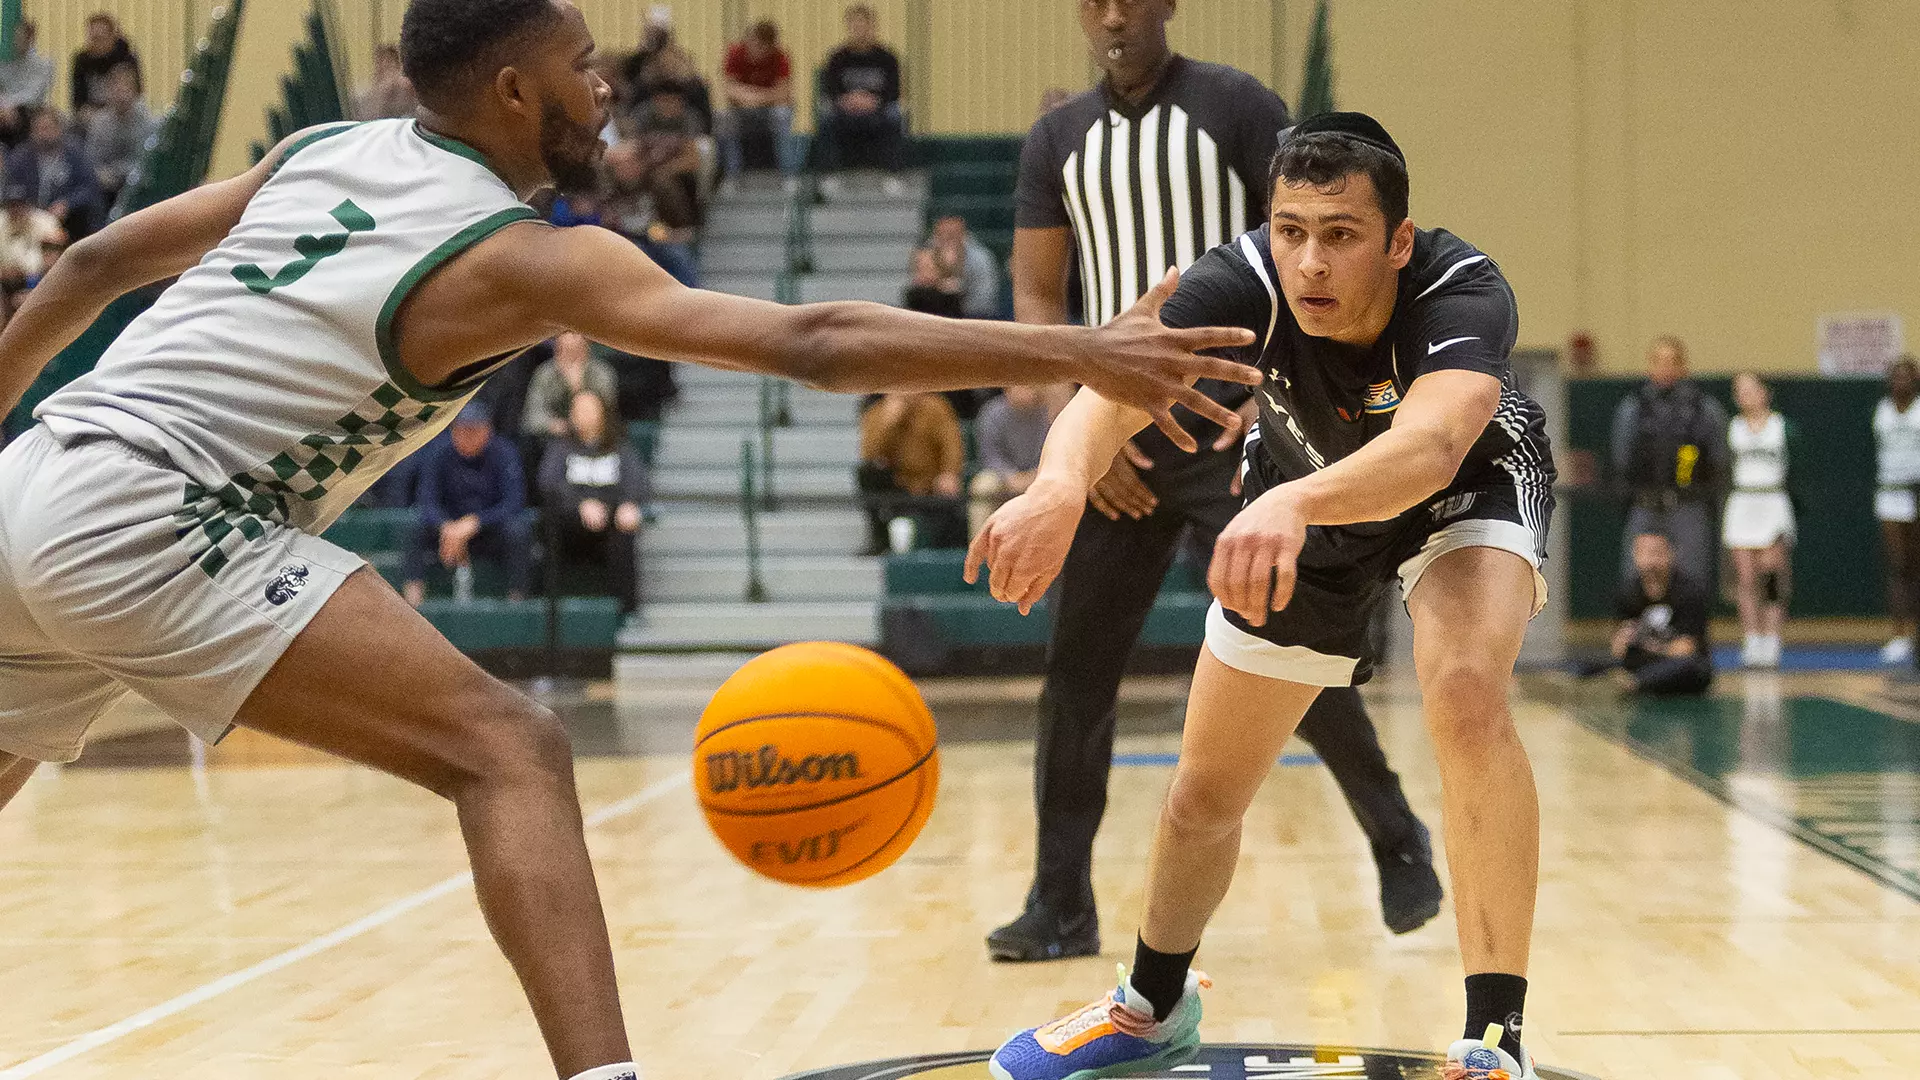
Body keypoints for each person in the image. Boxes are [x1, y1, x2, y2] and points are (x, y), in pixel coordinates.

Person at [0, 3, 1258, 1077]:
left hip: (32, 479)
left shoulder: (324, 149)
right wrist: (1079, 349)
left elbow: (99, 258)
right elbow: (809, 343)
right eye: (580, 60)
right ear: (509, 89)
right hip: (158, 512)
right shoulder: (518, 256)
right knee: (511, 747)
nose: (604, 82)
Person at [972, 112, 1558, 1079]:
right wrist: (1056, 486)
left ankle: (1494, 1040)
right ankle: (1149, 1010)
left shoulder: (1462, 288)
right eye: (1293, 232)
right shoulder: (1238, 279)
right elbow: (1109, 391)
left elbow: (1430, 448)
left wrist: (1290, 500)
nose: (1311, 263)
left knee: (1463, 693)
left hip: (1463, 487)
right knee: (1206, 790)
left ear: (1397, 241)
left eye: (1340, 235)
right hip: (1305, 489)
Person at [986, 0, 1439, 967]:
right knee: (1076, 678)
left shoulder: (1236, 107)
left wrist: (1268, 399)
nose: (1112, 15)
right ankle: (1059, 902)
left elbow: (1299, 257)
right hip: (1117, 441)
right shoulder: (1056, 138)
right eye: (1094, 1)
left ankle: (1396, 834)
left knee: (1290, 653)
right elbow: (1035, 295)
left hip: (1232, 427)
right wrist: (1081, 424)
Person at [1609, 335, 1728, 589]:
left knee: (1693, 575)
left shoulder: (1703, 408)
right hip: (1645, 502)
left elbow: (1718, 459)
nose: (1665, 368)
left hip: (1689, 503)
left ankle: (1689, 628)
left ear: (1683, 366)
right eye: (1659, 361)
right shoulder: (1634, 408)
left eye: (1672, 361)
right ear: (1649, 366)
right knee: (1636, 575)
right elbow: (1622, 458)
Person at [403, 401, 532, 606]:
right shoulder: (438, 452)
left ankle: (517, 599)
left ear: (487, 430)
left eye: (473, 430)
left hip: (489, 530)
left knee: (518, 531)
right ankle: (413, 598)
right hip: (449, 531)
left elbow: (513, 502)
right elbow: (426, 500)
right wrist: (447, 527)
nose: (467, 436)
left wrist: (475, 522)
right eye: (461, 430)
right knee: (415, 527)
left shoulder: (505, 453)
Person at [539, 390, 645, 612]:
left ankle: (626, 612)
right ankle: (551, 613)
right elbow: (548, 482)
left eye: (589, 409)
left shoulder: (619, 447)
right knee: (549, 526)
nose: (583, 415)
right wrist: (580, 503)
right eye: (577, 410)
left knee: (625, 530)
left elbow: (636, 480)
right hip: (570, 527)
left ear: (602, 413)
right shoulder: (561, 448)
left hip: (609, 524)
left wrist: (629, 504)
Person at [1722, 372, 1793, 669]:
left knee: (1772, 575)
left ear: (1765, 392)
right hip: (1743, 502)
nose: (1746, 395)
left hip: (1772, 500)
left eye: (1751, 389)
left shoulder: (1782, 426)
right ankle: (1752, 639)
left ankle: (1772, 639)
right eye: (1740, 391)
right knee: (1746, 577)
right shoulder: (1733, 428)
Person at [859, 390, 966, 552]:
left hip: (931, 483)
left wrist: (949, 473)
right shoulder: (876, 412)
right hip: (898, 485)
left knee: (951, 504)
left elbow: (951, 444)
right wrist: (888, 424)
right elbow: (869, 455)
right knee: (867, 473)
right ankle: (880, 541)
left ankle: (945, 552)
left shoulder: (936, 407)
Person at [1612, 531, 1713, 695]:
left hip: (1680, 669)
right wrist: (1623, 640)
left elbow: (1686, 649)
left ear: (1671, 554)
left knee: (1690, 666)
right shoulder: (1628, 592)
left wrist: (1650, 647)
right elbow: (1618, 650)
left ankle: (1634, 684)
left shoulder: (1690, 592)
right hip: (1642, 663)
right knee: (1597, 665)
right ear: (1634, 555)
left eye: (1657, 553)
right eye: (1643, 553)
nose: (1650, 561)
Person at [817, 4, 905, 180]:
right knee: (826, 118)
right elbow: (831, 90)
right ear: (848, 27)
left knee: (896, 116)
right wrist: (849, 100)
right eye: (855, 26)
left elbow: (893, 92)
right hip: (845, 111)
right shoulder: (837, 58)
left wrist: (872, 101)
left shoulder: (888, 58)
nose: (860, 30)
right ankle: (831, 176)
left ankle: (893, 176)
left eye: (864, 25)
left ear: (872, 27)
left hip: (878, 110)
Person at [1875, 356, 1920, 665]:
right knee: (1898, 565)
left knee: (1916, 565)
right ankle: (1899, 634)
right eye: (1896, 376)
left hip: (1916, 491)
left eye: (1907, 376)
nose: (1901, 381)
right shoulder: (1882, 412)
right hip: (1890, 493)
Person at [969, 385, 1060, 538]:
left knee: (1059, 484)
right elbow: (990, 456)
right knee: (982, 485)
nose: (1026, 389)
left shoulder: (1049, 412)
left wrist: (1035, 474)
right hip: (1003, 478)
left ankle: (1054, 549)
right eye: (1020, 384)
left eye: (1029, 384)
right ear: (1007, 387)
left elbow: (1054, 451)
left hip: (1040, 475)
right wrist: (1010, 476)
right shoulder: (991, 413)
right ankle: (978, 548)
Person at [718, 19, 797, 180]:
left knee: (782, 115)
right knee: (723, 118)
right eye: (751, 43)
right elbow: (730, 89)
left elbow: (784, 93)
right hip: (741, 108)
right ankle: (732, 174)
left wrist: (754, 97)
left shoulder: (780, 57)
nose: (754, 49)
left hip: (770, 107)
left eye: (760, 46)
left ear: (769, 47)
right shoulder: (735, 53)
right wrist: (754, 97)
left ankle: (787, 174)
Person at [6, 107, 103, 239]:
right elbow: (13, 188)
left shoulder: (75, 153)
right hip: (30, 218)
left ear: (59, 129)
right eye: (39, 129)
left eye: (48, 128)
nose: (43, 134)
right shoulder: (20, 157)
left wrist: (67, 204)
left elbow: (89, 187)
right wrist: (26, 207)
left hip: (70, 219)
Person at [85, 63, 157, 208]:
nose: (120, 92)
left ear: (136, 92)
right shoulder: (99, 123)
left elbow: (144, 160)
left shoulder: (148, 123)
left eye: (126, 87)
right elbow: (91, 158)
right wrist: (101, 174)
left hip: (136, 183)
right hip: (104, 187)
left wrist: (116, 174)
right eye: (115, 87)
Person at [524, 330, 619, 438]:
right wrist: (557, 426)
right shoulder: (545, 373)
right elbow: (532, 418)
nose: (569, 360)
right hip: (554, 440)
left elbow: (608, 414)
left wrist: (576, 386)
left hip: (596, 439)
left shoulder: (601, 372)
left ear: (586, 347)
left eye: (574, 352)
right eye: (564, 351)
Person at [0, 180, 65, 304]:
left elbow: (54, 259)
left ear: (29, 206)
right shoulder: (1, 222)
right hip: (5, 282)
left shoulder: (46, 222)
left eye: (20, 206)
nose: (16, 211)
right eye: (12, 206)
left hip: (40, 281)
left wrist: (32, 281)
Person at [924, 215, 1000, 319]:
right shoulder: (926, 253)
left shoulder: (981, 258)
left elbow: (985, 298)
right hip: (933, 316)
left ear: (962, 234)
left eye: (952, 234)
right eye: (942, 234)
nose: (947, 238)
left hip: (972, 317)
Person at [68, 13, 141, 120]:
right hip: (91, 114)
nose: (94, 43)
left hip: (121, 113)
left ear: (112, 37)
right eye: (92, 38)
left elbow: (136, 93)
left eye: (100, 38)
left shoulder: (127, 59)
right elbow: (78, 98)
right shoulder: (82, 60)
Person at [0, 21, 55, 147]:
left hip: (27, 111)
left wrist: (9, 106)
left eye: (19, 37)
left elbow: (34, 96)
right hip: (3, 110)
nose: (15, 41)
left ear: (30, 37)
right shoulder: (3, 62)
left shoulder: (44, 64)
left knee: (22, 116)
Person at [353, 44, 420, 120]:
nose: (381, 67)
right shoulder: (367, 94)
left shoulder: (405, 85)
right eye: (379, 63)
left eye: (387, 62)